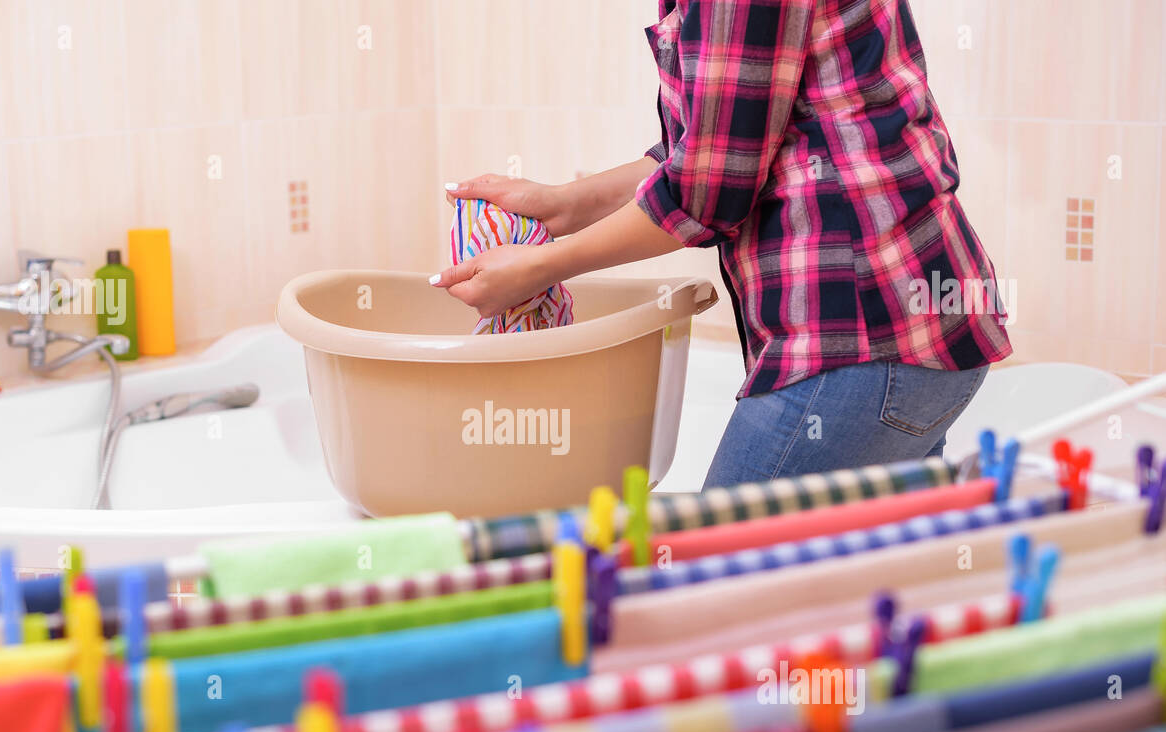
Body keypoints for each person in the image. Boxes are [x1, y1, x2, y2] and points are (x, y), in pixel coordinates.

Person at [432, 0, 1011, 488]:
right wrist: (562, 206)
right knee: (845, 606)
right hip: (919, 331)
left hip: (863, 340)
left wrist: (541, 267)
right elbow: (714, 147)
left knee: (709, 587)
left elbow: (708, 191)